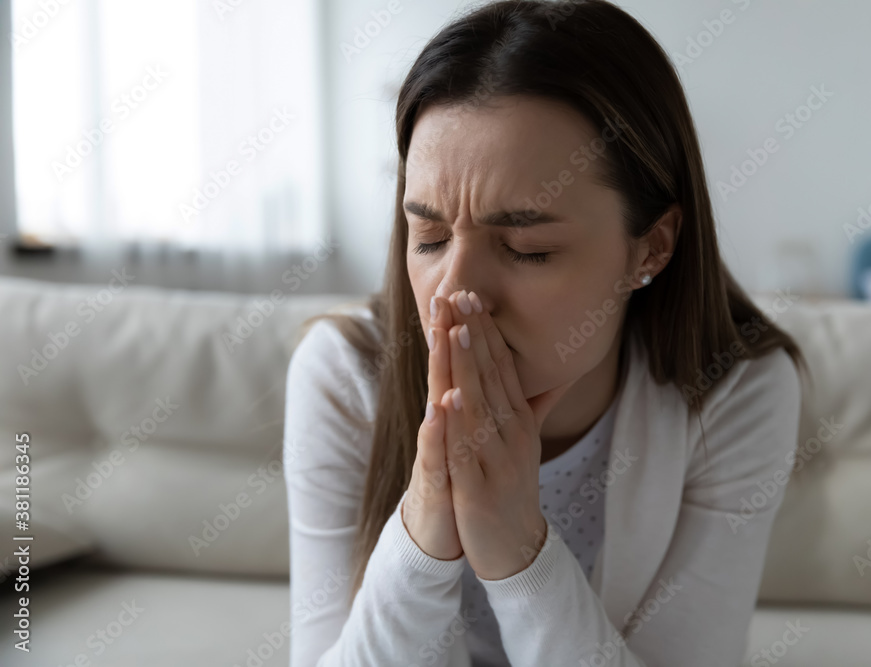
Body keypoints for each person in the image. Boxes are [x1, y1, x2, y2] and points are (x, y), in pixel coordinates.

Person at [283, 1, 810, 665]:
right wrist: (423, 526)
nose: (452, 293)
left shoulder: (735, 390)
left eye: (527, 249)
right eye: (430, 237)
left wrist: (518, 550)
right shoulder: (342, 373)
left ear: (651, 247)